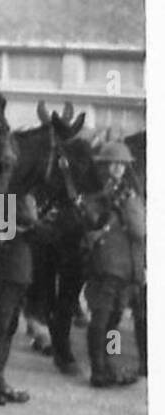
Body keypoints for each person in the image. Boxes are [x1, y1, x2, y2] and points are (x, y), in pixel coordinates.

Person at [82, 140, 145, 388]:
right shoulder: (96, 197)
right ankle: (99, 370)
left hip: (126, 268)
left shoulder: (129, 193)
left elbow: (140, 231)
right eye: (113, 164)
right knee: (102, 319)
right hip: (106, 266)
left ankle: (110, 364)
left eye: (122, 164)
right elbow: (92, 223)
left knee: (115, 323)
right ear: (103, 167)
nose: (118, 169)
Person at [0, 193, 39, 405]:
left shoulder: (24, 195)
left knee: (9, 327)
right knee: (0, 327)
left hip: (21, 270)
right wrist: (21, 228)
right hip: (6, 271)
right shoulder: (3, 196)